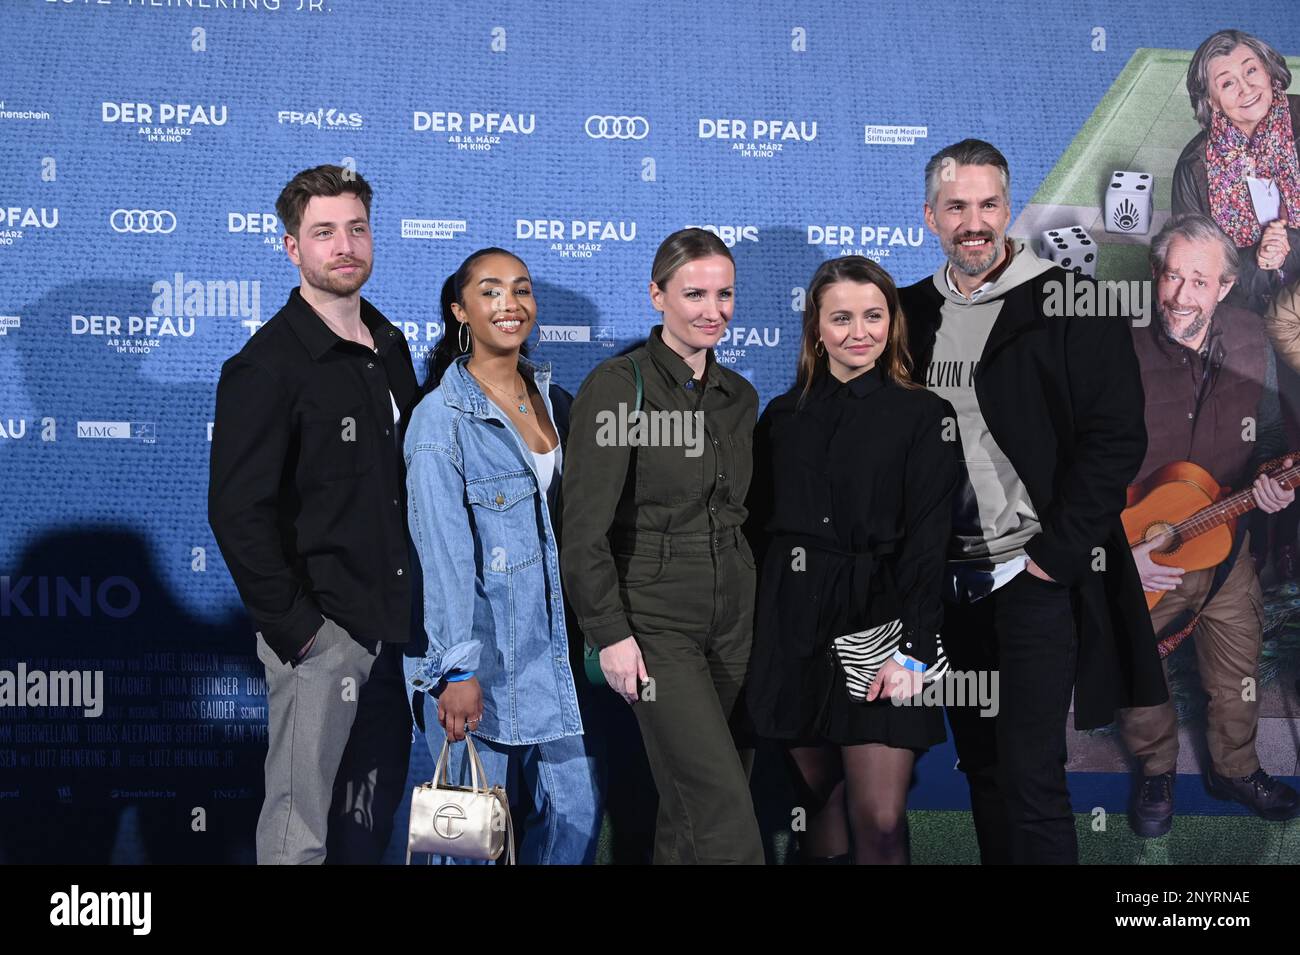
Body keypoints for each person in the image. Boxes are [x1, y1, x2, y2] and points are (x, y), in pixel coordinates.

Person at [899, 139, 1167, 864]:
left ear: (1008, 208)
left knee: (1031, 778)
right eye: (957, 206)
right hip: (944, 589)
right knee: (982, 770)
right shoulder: (903, 313)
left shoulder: (1074, 299)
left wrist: (1051, 558)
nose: (974, 221)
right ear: (931, 216)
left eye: (988, 204)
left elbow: (1116, 440)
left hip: (1032, 584)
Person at [208, 165, 415, 864]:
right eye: (323, 232)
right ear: (292, 247)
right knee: (300, 839)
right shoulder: (266, 365)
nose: (344, 245)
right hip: (324, 636)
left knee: (366, 829)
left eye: (356, 228)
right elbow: (237, 511)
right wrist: (303, 634)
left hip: (395, 635)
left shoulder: (389, 346)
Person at [743, 256, 959, 864]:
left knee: (881, 818)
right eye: (841, 318)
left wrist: (914, 650)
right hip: (793, 630)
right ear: (816, 326)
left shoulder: (926, 416)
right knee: (824, 805)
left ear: (893, 322)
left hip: (884, 625)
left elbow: (928, 541)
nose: (858, 332)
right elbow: (758, 533)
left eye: (873, 315)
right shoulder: (782, 417)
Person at [560, 228, 764, 864]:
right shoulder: (619, 387)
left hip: (734, 619)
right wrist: (611, 634)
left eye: (724, 294)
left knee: (688, 810)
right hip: (654, 625)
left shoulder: (739, 397)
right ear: (658, 295)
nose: (713, 310)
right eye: (695, 293)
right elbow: (583, 530)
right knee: (723, 810)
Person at [402, 248, 601, 864]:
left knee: (576, 819)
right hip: (482, 663)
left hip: (554, 659)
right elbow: (443, 556)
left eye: (521, 290)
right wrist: (456, 669)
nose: (509, 304)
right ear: (460, 310)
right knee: (471, 844)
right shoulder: (440, 419)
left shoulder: (554, 400)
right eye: (490, 292)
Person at [1121, 214, 1300, 835]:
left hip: (1227, 547)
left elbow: (1272, 436)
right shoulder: (1119, 348)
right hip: (1141, 550)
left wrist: (1274, 486)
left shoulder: (1253, 339)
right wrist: (1114, 554)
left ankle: (1235, 768)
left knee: (1238, 672)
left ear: (1224, 287)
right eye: (1173, 276)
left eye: (1200, 280)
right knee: (1139, 673)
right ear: (1155, 275)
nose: (1182, 294)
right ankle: (1155, 771)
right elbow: (1075, 461)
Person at [1173, 29, 1300, 578]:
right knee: (1263, 437)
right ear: (1210, 99)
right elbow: (1192, 266)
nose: (1246, 87)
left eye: (1252, 70)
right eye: (1227, 81)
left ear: (1271, 70)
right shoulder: (1197, 166)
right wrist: (1254, 260)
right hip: (1244, 318)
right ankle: (1270, 562)